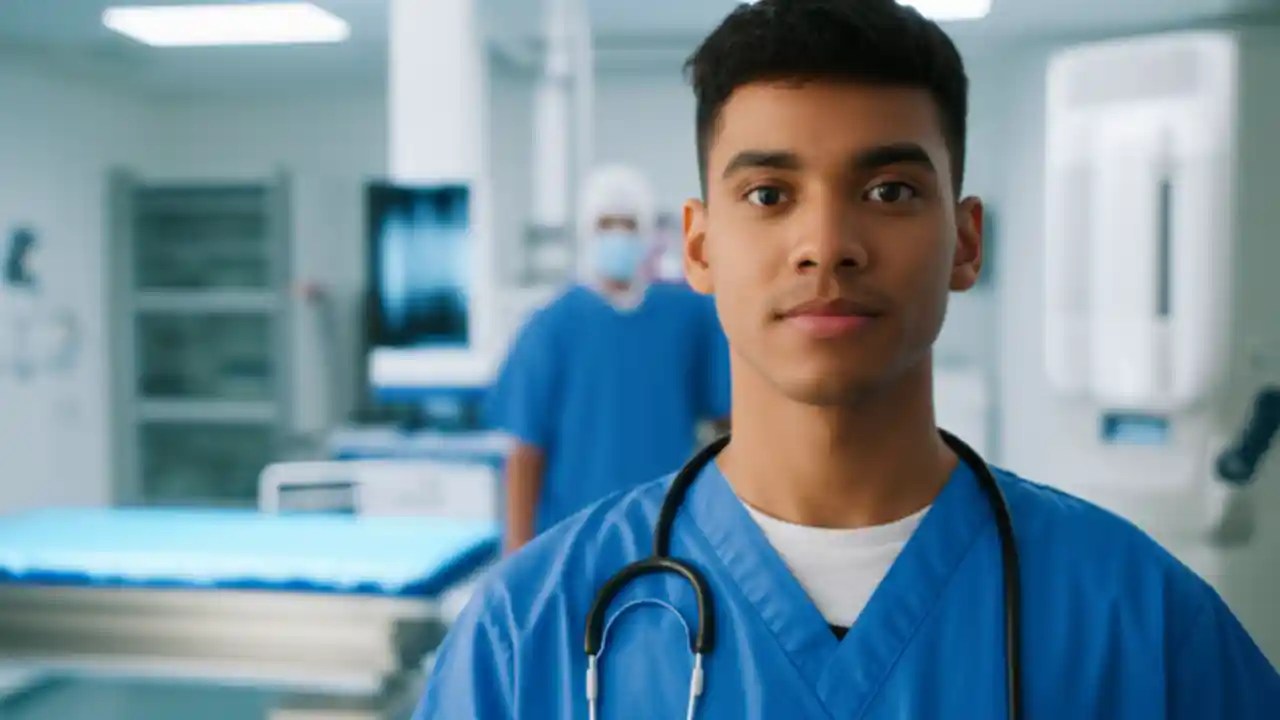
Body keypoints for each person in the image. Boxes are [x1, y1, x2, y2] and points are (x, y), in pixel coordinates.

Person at [416, 1, 1280, 717]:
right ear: (700, 246)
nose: (825, 245)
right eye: (769, 194)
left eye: (889, 191)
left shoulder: (1140, 624)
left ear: (965, 241)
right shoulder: (526, 639)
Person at [488, 164, 731, 553]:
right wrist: (516, 554)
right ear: (586, 231)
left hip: (664, 534)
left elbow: (728, 420)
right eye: (605, 224)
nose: (618, 235)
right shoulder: (552, 326)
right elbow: (524, 451)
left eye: (629, 224)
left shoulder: (686, 318)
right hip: (571, 538)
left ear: (649, 231)